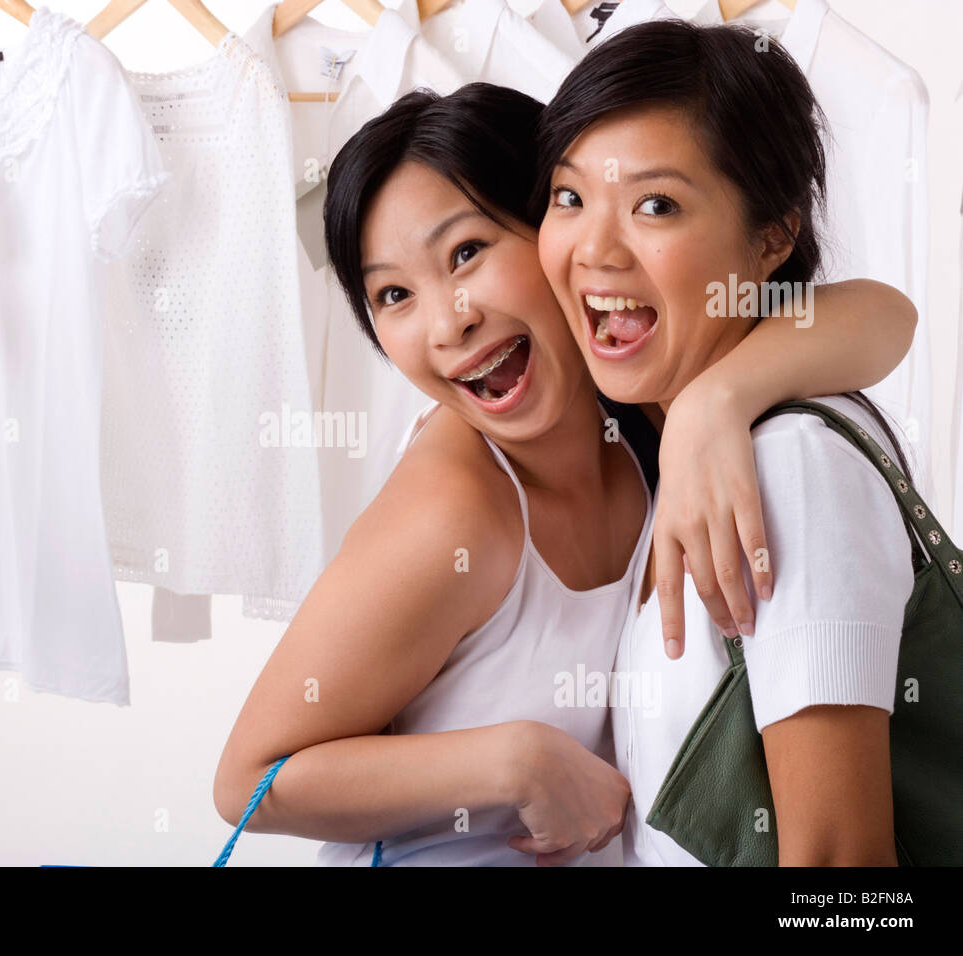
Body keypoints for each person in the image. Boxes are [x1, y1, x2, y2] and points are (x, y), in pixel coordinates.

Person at [213, 78, 917, 865]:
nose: (450, 322)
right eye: (393, 295)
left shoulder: (645, 416)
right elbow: (247, 780)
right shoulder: (454, 506)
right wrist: (514, 764)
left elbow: (887, 316)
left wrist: (714, 402)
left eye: (468, 253)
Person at [536, 19, 918, 865]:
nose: (594, 249)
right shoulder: (680, 448)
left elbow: (839, 870)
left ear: (772, 238)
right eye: (569, 197)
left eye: (655, 205)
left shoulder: (788, 464)